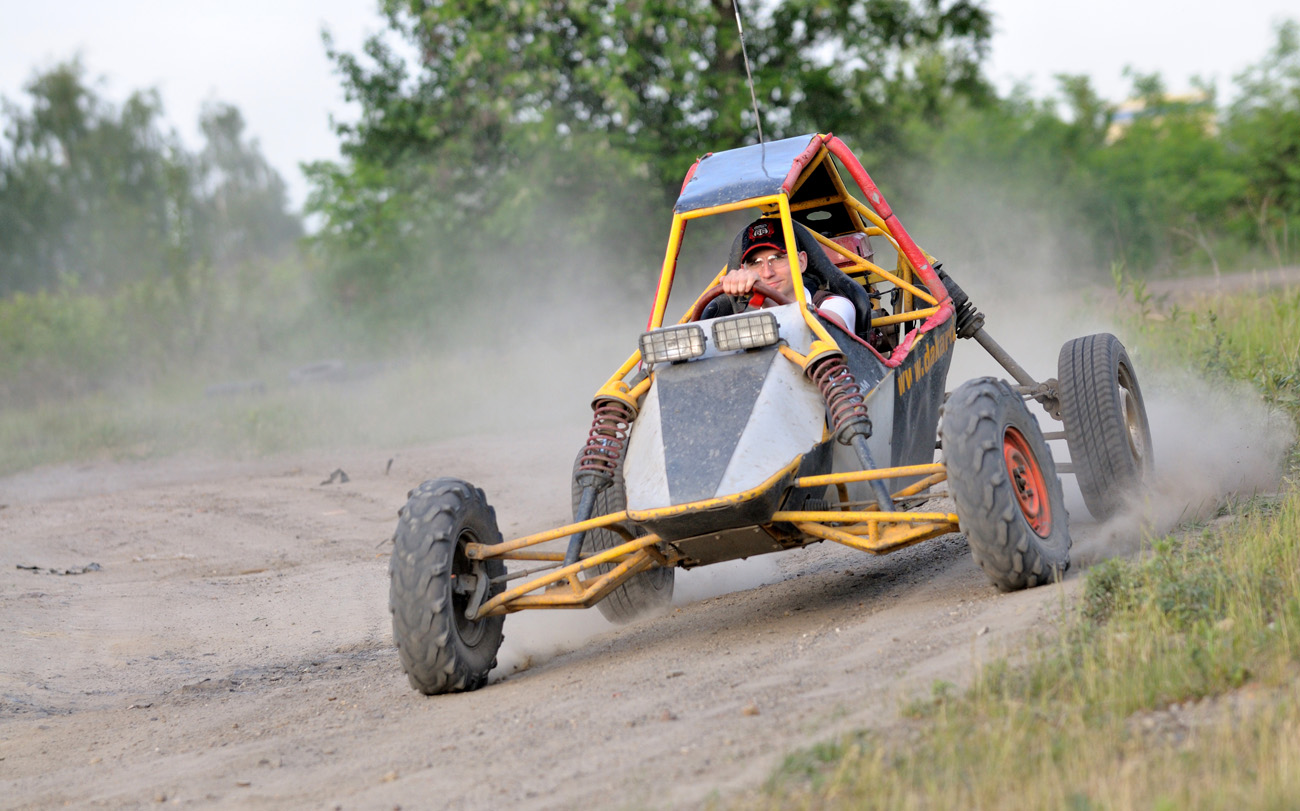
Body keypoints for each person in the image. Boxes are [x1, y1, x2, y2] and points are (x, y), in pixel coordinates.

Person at [720, 218, 857, 332]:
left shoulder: (835, 304)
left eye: (777, 258)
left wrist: (767, 301)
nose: (767, 273)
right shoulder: (738, 321)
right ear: (743, 270)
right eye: (755, 262)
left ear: (801, 262)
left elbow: (822, 330)